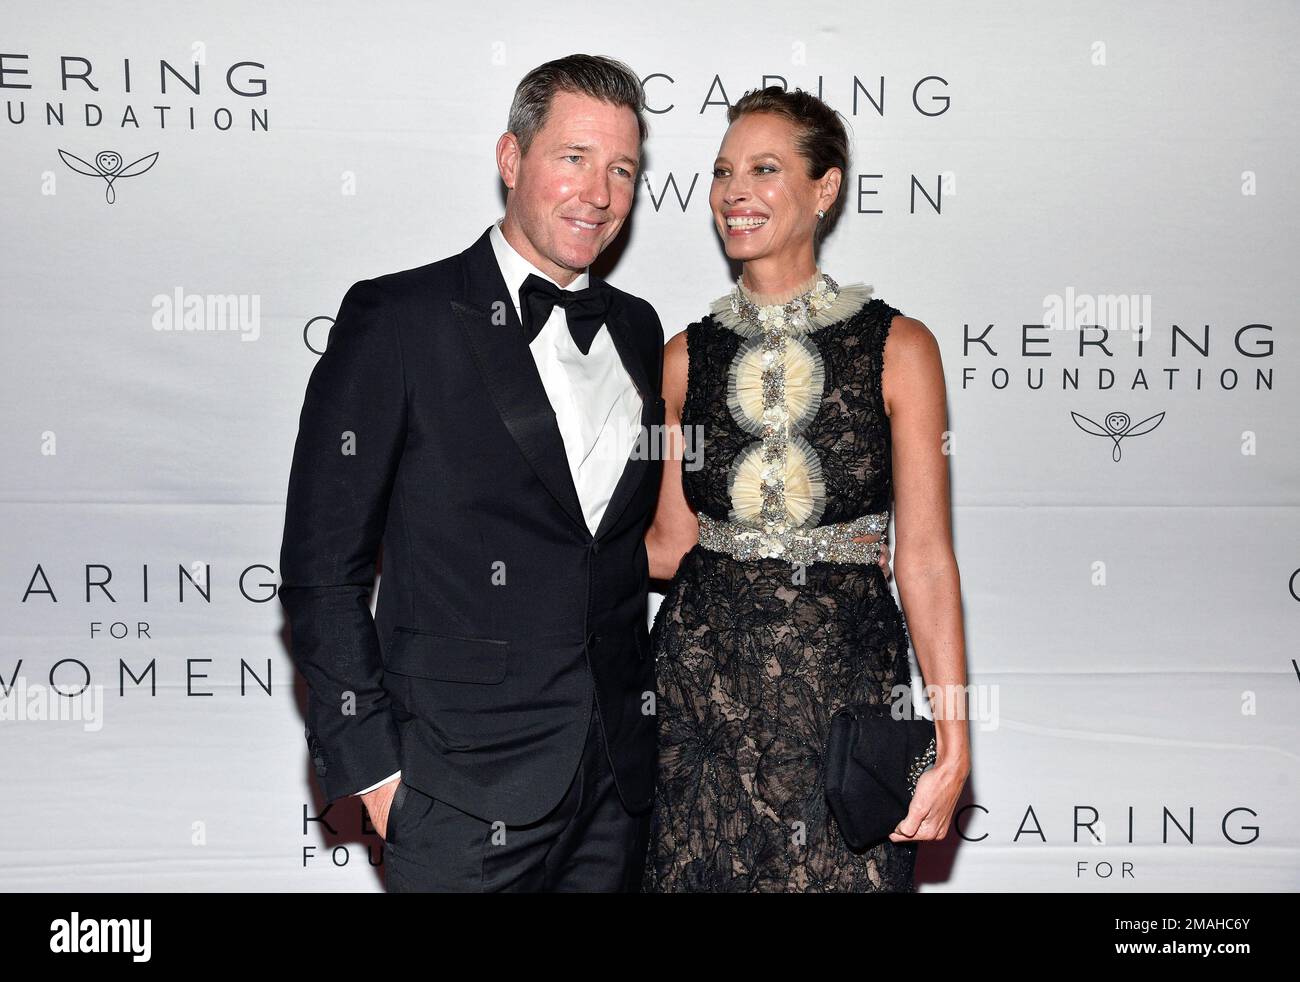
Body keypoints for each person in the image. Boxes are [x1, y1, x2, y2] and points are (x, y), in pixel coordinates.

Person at [277, 54, 666, 891]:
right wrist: (375, 774)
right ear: (510, 159)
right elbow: (321, 569)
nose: (598, 193)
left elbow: (617, 547)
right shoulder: (399, 319)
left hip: (613, 790)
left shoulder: (638, 329)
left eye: (622, 169)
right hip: (454, 791)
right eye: (573, 158)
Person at [642, 86, 970, 892]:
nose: (735, 192)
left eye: (764, 169)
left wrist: (955, 739)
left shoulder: (900, 347)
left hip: (842, 694)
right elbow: (670, 545)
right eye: (724, 172)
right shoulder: (683, 358)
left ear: (825, 189)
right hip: (701, 696)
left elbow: (926, 558)